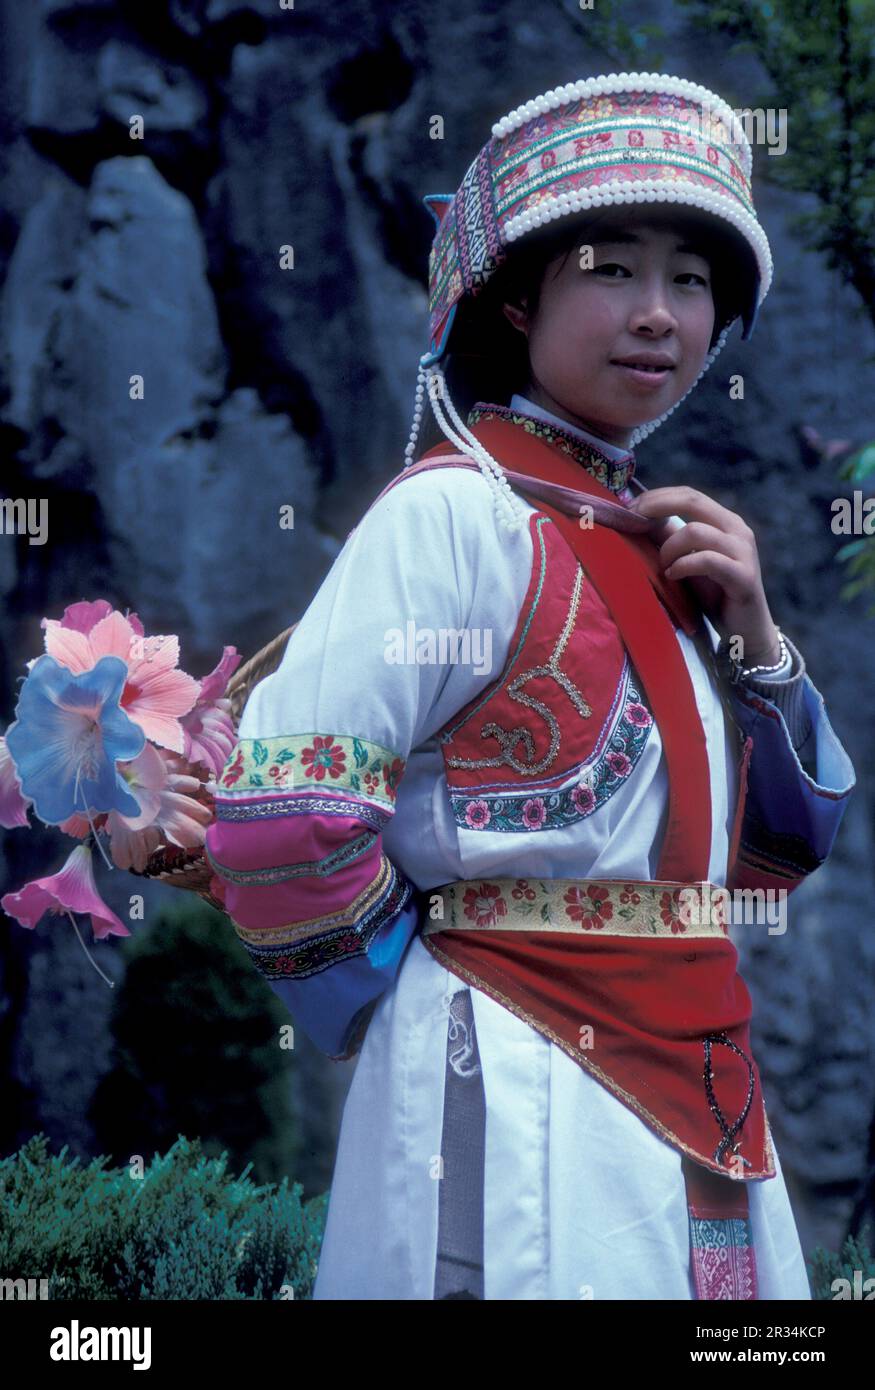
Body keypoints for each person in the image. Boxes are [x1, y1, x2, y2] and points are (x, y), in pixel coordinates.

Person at [204, 73, 856, 1300]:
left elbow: (772, 849)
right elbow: (287, 804)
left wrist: (758, 643)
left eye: (691, 278)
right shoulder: (457, 513)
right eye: (611, 268)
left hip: (704, 1063)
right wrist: (417, 975)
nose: (658, 314)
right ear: (515, 297)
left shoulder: (665, 545)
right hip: (507, 1050)